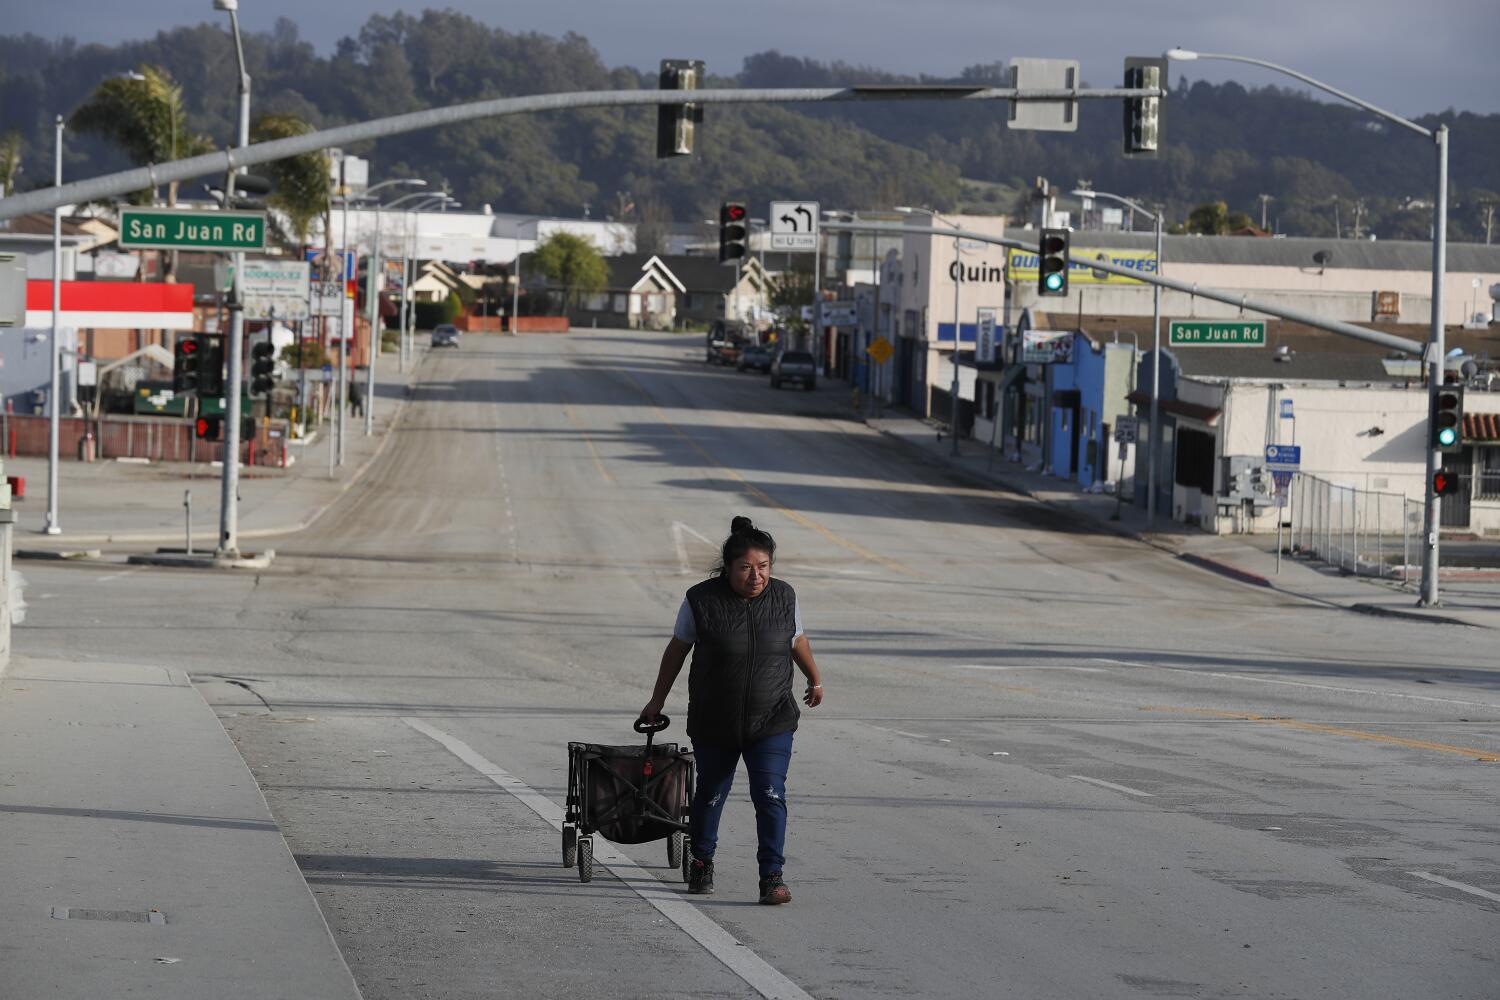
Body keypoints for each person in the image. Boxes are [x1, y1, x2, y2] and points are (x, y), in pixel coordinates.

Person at [640, 516, 824, 905]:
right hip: (714, 720)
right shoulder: (700, 600)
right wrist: (656, 701)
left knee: (770, 794)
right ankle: (703, 861)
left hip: (772, 719)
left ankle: (771, 877)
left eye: (763, 567)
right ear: (728, 568)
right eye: (745, 568)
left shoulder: (785, 596)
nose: (756, 576)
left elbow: (796, 637)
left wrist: (815, 678)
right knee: (710, 794)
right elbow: (677, 650)